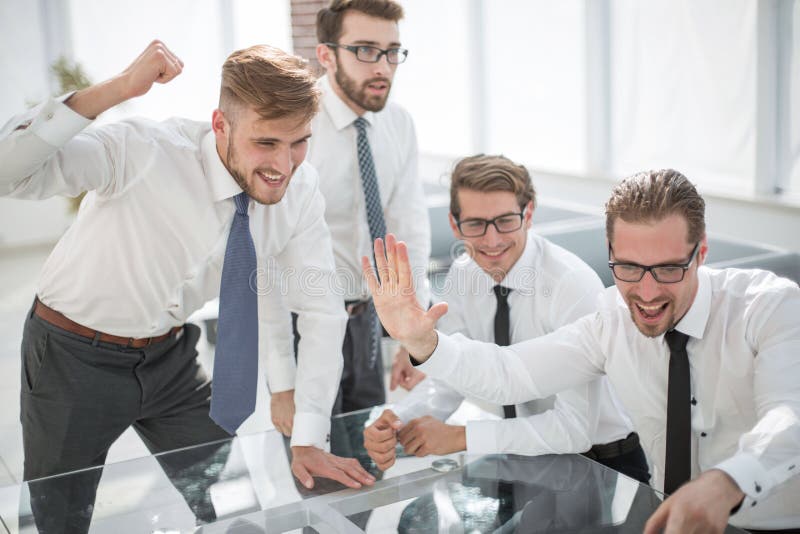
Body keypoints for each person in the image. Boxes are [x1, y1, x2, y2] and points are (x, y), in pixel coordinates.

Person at [0, 40, 375, 530]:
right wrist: (116, 90)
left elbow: (321, 312)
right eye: (266, 143)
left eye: (298, 142)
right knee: (59, 518)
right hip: (72, 358)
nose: (284, 165)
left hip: (171, 359)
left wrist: (308, 436)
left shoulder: (299, 193)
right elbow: (11, 174)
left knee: (233, 500)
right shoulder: (143, 151)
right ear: (220, 124)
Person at [362, 169, 800, 533]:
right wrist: (424, 343)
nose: (646, 293)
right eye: (628, 267)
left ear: (701, 252)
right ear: (611, 253)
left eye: (668, 269)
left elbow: (790, 413)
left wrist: (726, 481)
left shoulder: (768, 305)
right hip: (662, 513)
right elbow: (511, 371)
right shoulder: (611, 316)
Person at [363, 154, 649, 485]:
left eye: (505, 220)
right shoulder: (463, 275)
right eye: (475, 224)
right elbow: (450, 379)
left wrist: (461, 437)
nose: (491, 239)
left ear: (528, 214)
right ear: (455, 224)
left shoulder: (570, 284)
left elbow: (574, 429)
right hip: (524, 457)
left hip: (603, 465)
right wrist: (399, 419)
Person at [270, 0, 431, 433]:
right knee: (314, 463)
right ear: (326, 55)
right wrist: (281, 382)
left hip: (366, 319)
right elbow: (266, 251)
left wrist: (411, 336)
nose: (382, 66)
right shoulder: (293, 126)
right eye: (364, 50)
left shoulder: (399, 124)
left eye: (392, 51)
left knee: (368, 452)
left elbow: (410, 231)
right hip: (304, 320)